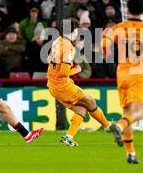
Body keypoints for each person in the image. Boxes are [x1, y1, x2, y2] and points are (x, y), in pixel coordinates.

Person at [102, 0, 143, 164]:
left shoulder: (118, 28)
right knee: (138, 113)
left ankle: (131, 153)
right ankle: (119, 126)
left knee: (128, 112)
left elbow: (104, 43)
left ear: (127, 10)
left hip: (121, 74)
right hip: (138, 74)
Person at [47, 18, 111, 147]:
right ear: (74, 31)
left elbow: (49, 59)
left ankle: (68, 137)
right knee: (91, 102)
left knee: (81, 109)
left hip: (53, 85)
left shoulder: (56, 41)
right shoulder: (68, 47)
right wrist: (77, 68)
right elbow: (64, 71)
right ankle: (108, 127)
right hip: (62, 85)